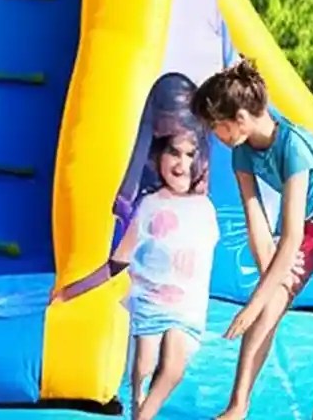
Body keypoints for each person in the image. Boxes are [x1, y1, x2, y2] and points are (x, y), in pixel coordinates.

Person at [189, 58, 313, 420]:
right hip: (308, 224)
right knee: (269, 304)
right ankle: (237, 406)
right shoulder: (242, 153)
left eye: (216, 126)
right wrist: (268, 289)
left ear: (240, 119)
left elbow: (289, 240)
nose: (215, 136)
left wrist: (251, 305)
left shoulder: (293, 147)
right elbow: (256, 221)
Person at [114, 129, 219, 420]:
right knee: (143, 367)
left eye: (190, 155)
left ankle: (143, 415)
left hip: (185, 308)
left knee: (172, 367)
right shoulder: (149, 204)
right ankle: (139, 404)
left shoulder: (203, 209)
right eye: (174, 153)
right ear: (158, 156)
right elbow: (123, 255)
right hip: (149, 303)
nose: (182, 163)